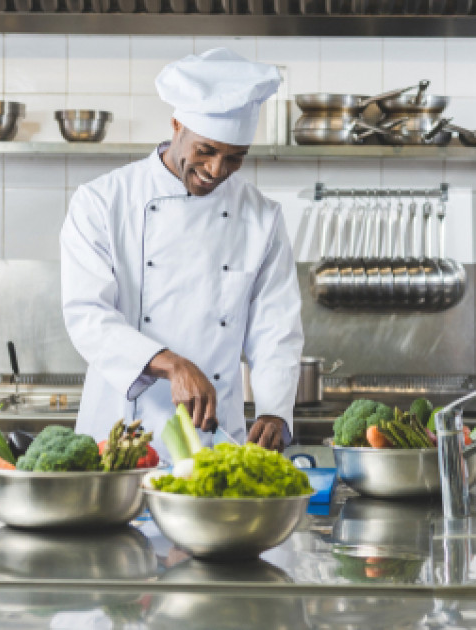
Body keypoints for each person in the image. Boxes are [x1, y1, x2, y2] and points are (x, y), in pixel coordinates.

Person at [61, 48, 304, 458]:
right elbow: (88, 316)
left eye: (234, 159)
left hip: (215, 438)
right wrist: (172, 364)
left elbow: (276, 327)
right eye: (206, 151)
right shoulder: (103, 201)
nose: (215, 171)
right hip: (121, 434)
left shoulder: (261, 217)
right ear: (177, 126)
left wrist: (275, 411)